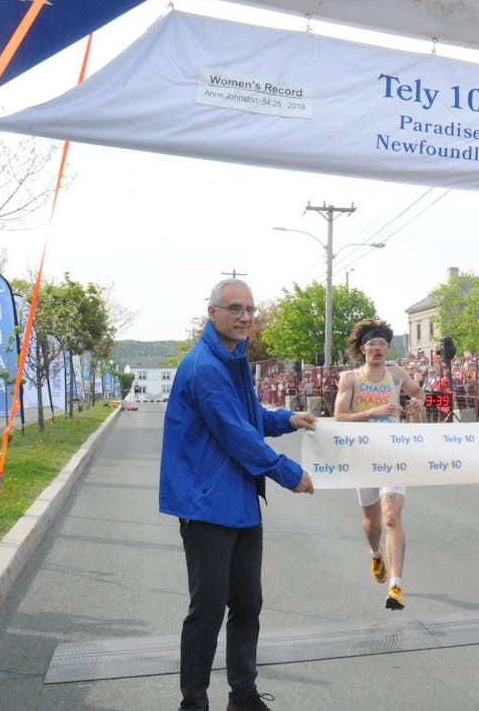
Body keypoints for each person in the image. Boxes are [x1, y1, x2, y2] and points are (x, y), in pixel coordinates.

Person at [160, 278, 316, 711]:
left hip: (241, 504)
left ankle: (243, 696)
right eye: (234, 308)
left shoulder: (233, 360)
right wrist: (289, 473)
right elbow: (235, 435)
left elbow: (249, 417)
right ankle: (193, 703)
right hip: (205, 505)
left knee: (248, 604)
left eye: (249, 308)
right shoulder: (205, 367)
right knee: (207, 612)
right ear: (212, 314)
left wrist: (288, 420)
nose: (245, 316)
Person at [334, 318, 426, 611]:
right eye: (372, 345)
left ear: (388, 348)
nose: (377, 349)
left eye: (382, 345)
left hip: (394, 453)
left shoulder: (397, 373)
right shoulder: (350, 378)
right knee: (373, 522)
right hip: (363, 455)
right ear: (363, 349)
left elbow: (420, 393)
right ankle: (375, 553)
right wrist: (375, 411)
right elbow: (339, 417)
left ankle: (395, 586)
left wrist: (418, 403)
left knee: (391, 518)